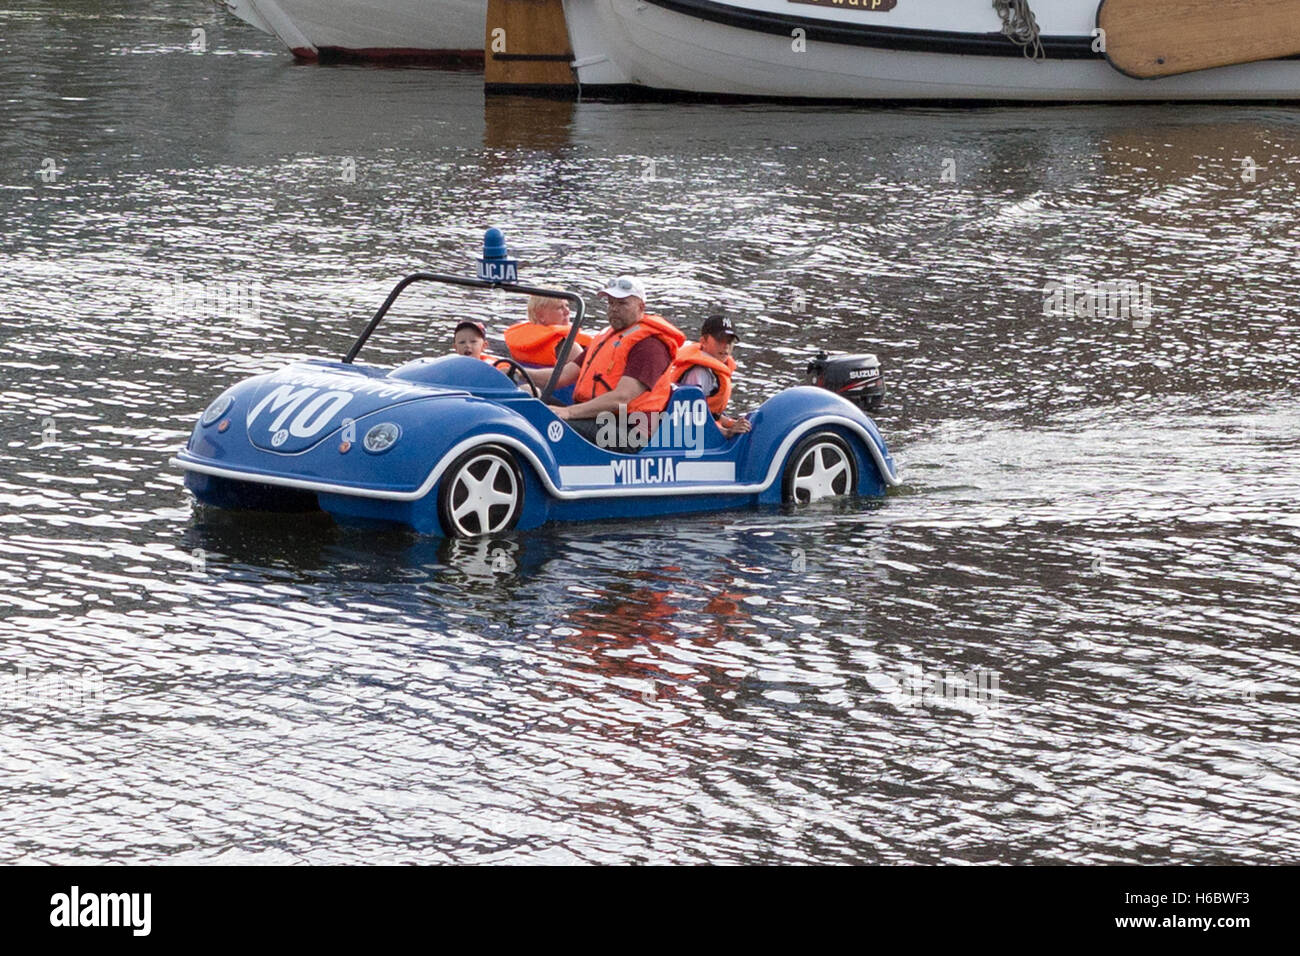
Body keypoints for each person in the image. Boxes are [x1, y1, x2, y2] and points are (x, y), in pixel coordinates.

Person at [526, 276, 685, 445]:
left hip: (629, 432)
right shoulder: (607, 337)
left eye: (622, 303)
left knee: (550, 424)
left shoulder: (650, 345)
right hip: (595, 418)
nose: (614, 309)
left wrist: (569, 412)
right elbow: (564, 375)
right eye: (611, 303)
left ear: (641, 307)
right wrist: (514, 372)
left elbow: (621, 398)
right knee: (526, 397)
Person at [640, 314, 752, 439]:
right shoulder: (699, 372)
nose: (725, 346)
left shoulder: (712, 369)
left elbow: (711, 413)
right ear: (703, 341)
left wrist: (731, 423)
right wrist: (727, 433)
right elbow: (689, 419)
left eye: (730, 341)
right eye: (720, 340)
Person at [503, 295, 592, 367]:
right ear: (541, 316)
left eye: (567, 305)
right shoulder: (570, 348)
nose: (567, 311)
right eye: (559, 307)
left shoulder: (520, 340)